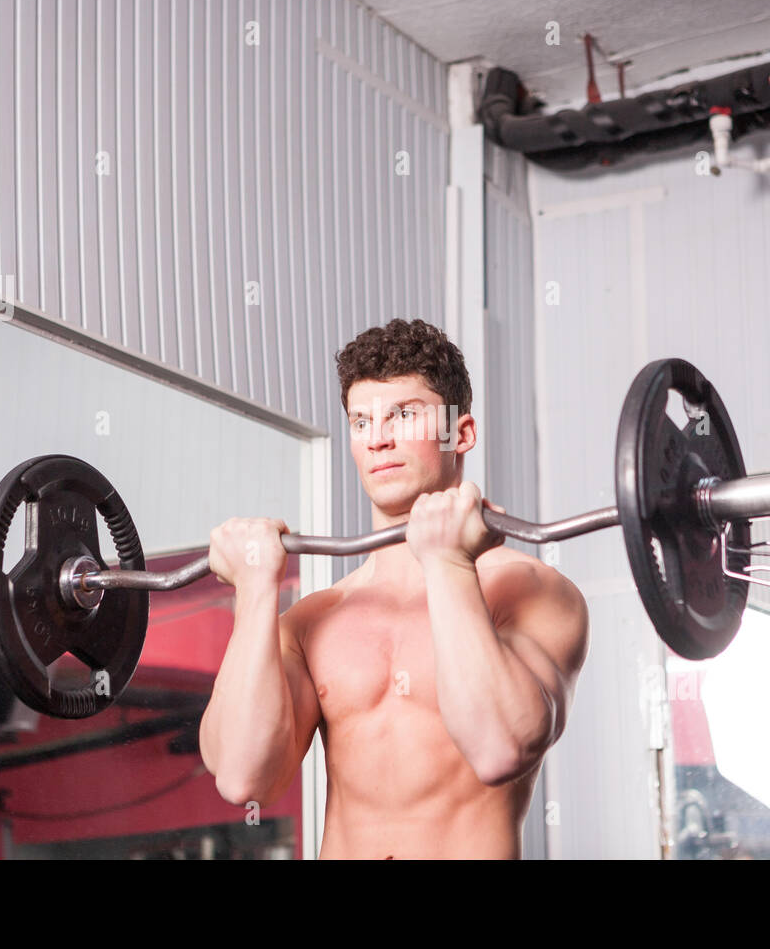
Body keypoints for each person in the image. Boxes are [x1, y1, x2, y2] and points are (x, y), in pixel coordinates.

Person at [199, 318, 589, 858]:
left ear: (462, 433)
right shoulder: (316, 619)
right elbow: (244, 779)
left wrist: (449, 561)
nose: (378, 437)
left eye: (403, 414)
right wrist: (257, 591)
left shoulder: (535, 592)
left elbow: (500, 748)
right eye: (361, 421)